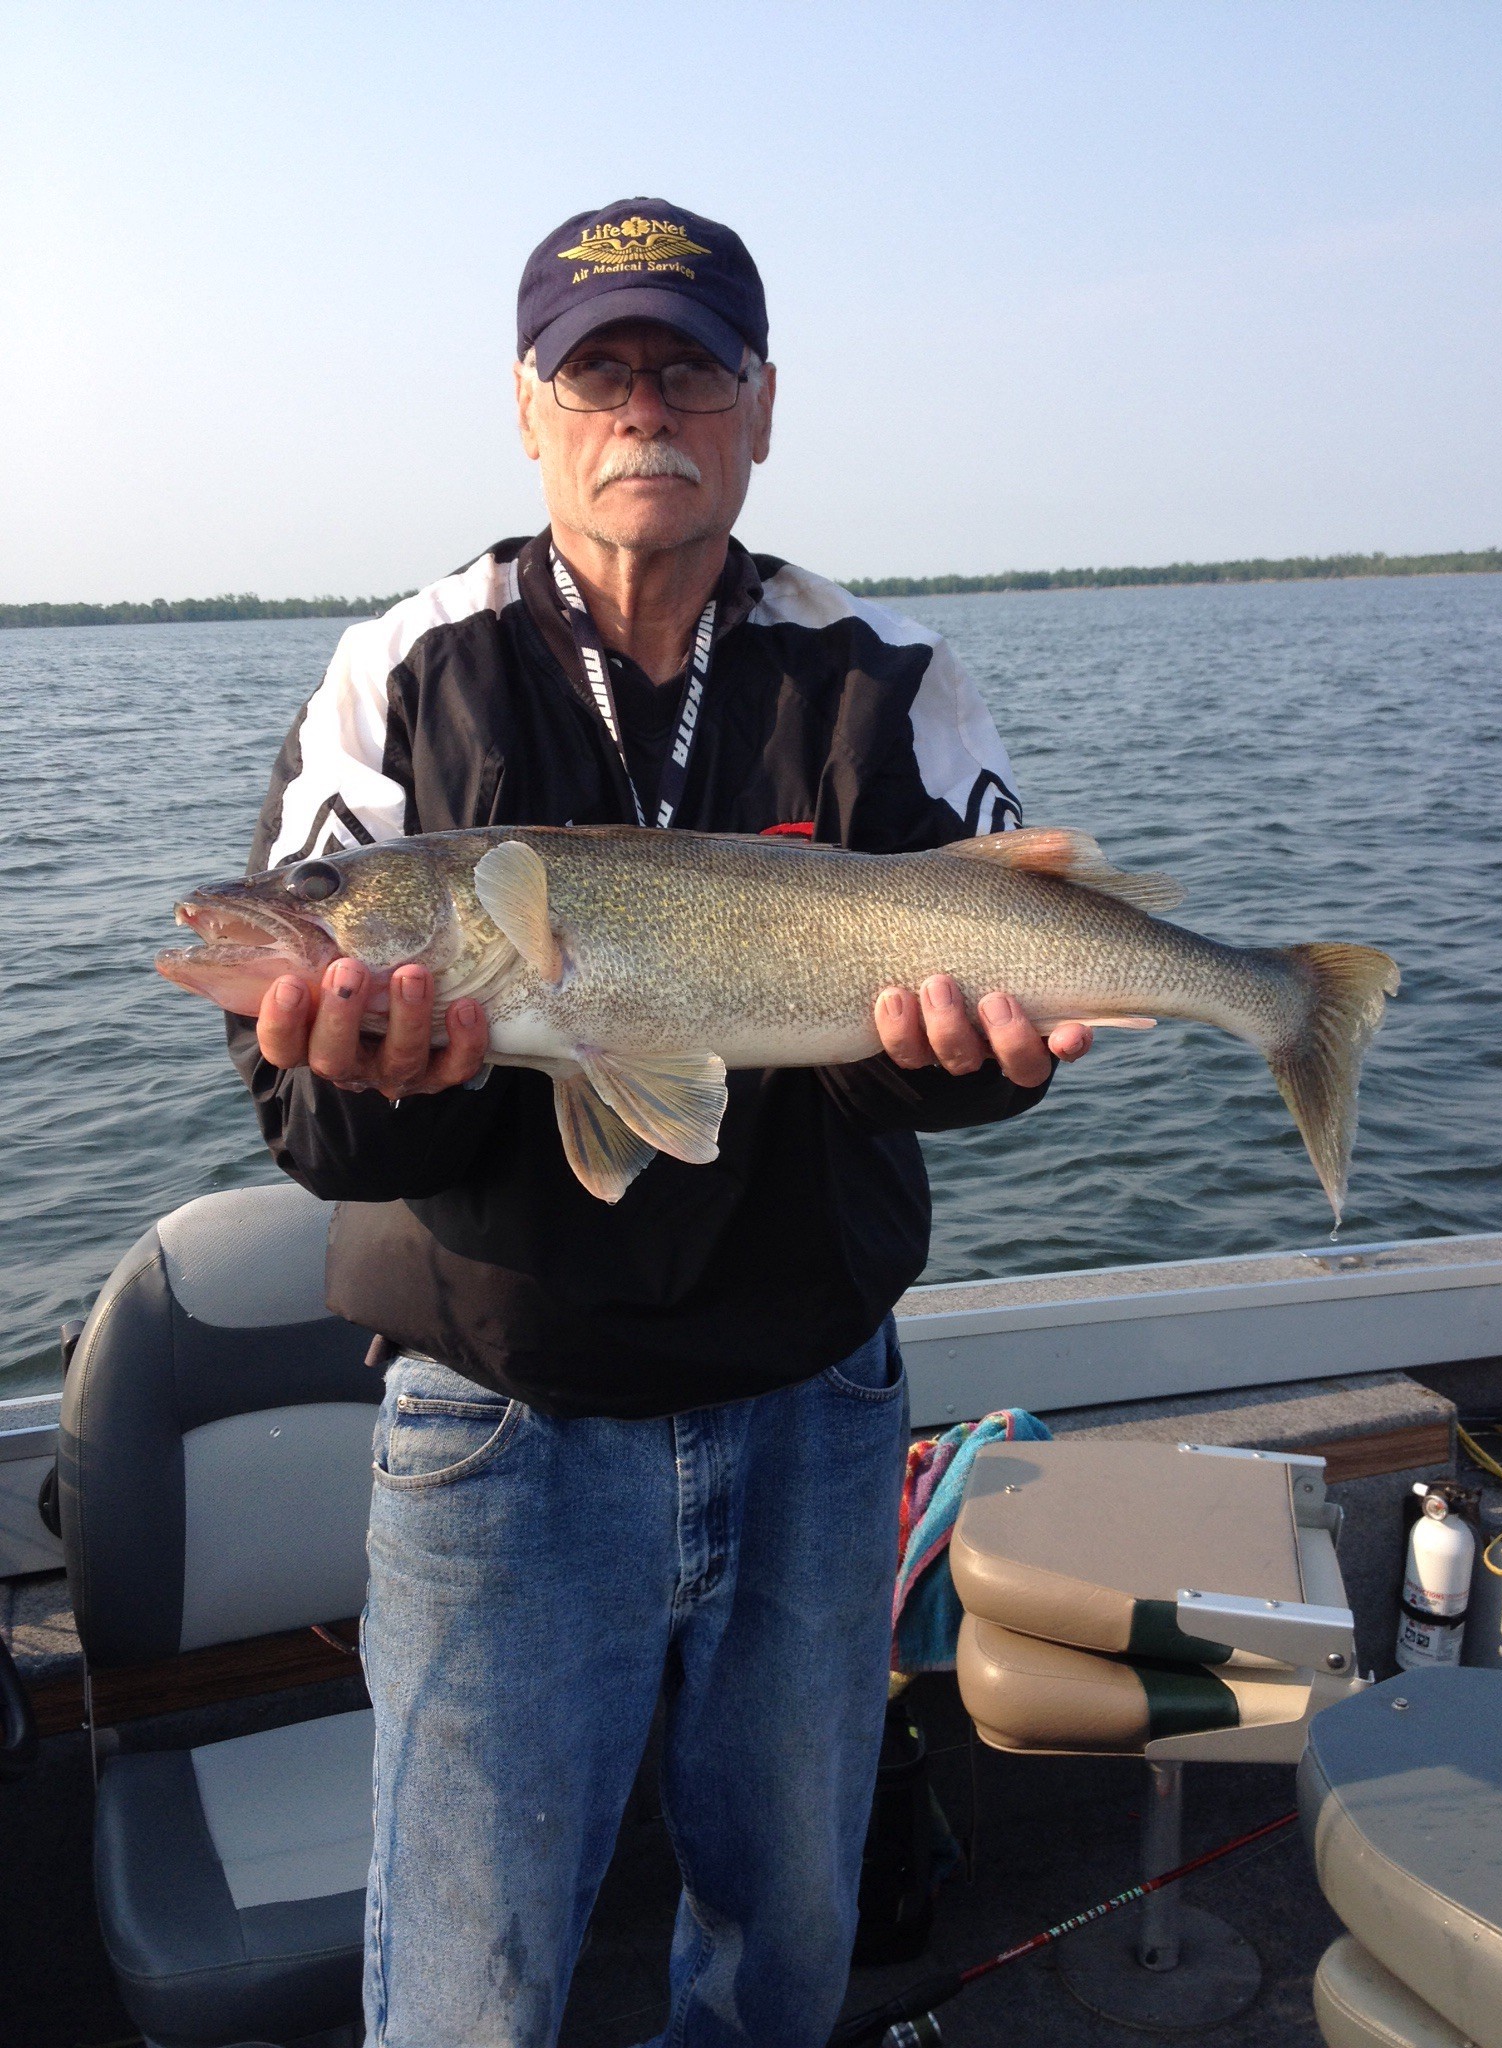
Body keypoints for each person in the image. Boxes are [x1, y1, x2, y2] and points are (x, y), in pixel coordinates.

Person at [233, 198, 1093, 2047]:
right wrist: (373, 1081)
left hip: (818, 1415)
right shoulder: (400, 677)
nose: (646, 410)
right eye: (597, 369)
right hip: (502, 1432)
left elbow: (930, 1054)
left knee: (783, 1943)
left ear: (761, 408)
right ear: (529, 412)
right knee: (468, 1986)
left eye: (688, 369)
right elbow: (303, 1116)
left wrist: (959, 1058)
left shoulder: (885, 677)